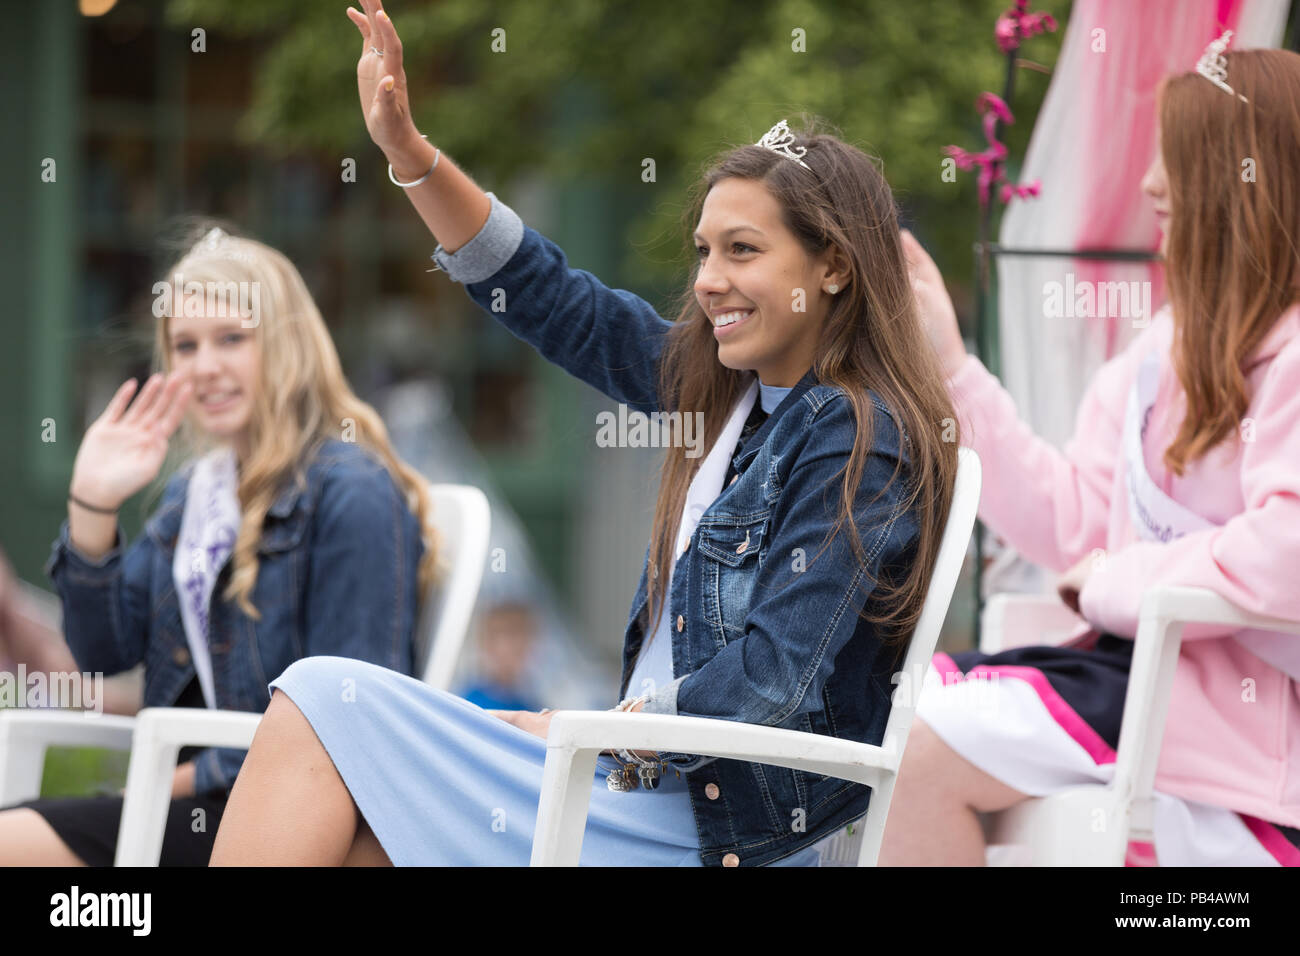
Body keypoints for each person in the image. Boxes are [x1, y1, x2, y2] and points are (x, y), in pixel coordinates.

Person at [207, 0, 957, 868]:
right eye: (704, 251)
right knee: (360, 834)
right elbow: (552, 298)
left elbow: (775, 681)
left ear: (832, 266)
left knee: (318, 694)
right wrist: (411, 159)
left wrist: (584, 729)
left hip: (707, 824)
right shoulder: (729, 395)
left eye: (743, 251)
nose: (709, 280)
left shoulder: (862, 439)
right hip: (619, 784)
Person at [882, 40, 1300, 867]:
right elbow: (1076, 527)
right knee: (890, 726)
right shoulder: (1158, 355)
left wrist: (1120, 584)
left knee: (917, 759)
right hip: (1137, 687)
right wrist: (952, 368)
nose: (1150, 187)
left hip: (1237, 723)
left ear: (1238, 180)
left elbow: (1287, 552)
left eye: (1173, 162)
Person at [0, 224, 438, 866]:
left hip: (286, 816)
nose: (205, 366)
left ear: (285, 345)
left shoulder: (352, 492)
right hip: (193, 802)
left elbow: (349, 722)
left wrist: (160, 782)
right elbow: (102, 652)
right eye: (185, 345)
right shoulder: (194, 496)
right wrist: (92, 506)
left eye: (232, 339)